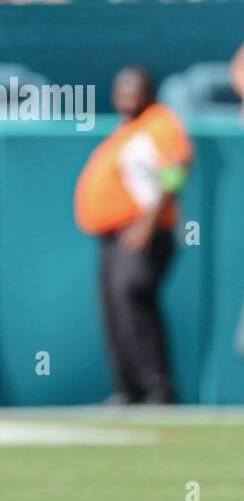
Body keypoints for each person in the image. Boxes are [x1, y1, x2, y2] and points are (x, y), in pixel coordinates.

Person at [75, 67, 192, 405]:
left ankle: (157, 389)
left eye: (132, 89)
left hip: (143, 235)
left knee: (133, 300)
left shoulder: (160, 123)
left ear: (148, 92)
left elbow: (175, 173)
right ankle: (129, 390)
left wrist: (147, 224)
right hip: (114, 238)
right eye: (120, 89)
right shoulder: (126, 130)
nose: (125, 96)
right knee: (114, 309)